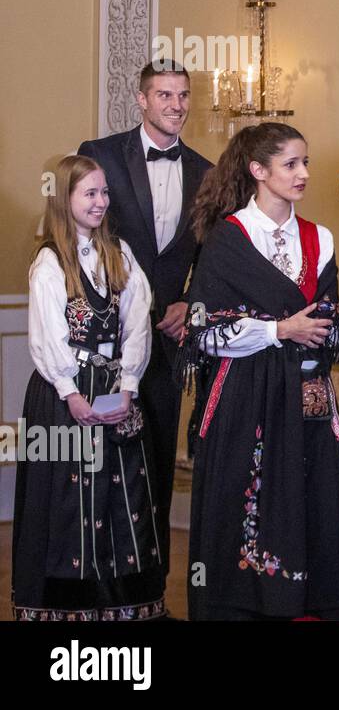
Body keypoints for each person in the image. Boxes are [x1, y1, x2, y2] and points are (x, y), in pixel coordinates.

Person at [180, 122, 339, 620]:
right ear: (259, 171)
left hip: (308, 397)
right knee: (244, 510)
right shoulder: (227, 239)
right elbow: (205, 332)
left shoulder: (319, 238)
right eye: (291, 165)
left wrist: (306, 331)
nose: (303, 174)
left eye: (306, 163)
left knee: (315, 507)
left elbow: (330, 318)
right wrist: (278, 330)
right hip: (243, 397)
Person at [12, 155, 163, 621]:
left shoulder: (118, 252)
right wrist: (71, 393)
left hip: (115, 389)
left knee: (123, 495)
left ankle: (124, 603)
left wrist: (130, 383)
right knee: (69, 497)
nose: (101, 202)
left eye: (104, 193)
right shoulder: (49, 263)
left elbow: (137, 321)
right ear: (65, 198)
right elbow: (46, 338)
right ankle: (64, 606)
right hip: (65, 396)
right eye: (89, 194)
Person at [78, 60, 213, 584]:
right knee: (104, 459)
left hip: (169, 341)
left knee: (155, 462)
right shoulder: (102, 155)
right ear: (141, 99)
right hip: (104, 340)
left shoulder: (206, 170)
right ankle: (96, 587)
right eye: (164, 95)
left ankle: (150, 592)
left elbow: (213, 257)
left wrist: (190, 301)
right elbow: (82, 238)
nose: (176, 105)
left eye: (183, 95)